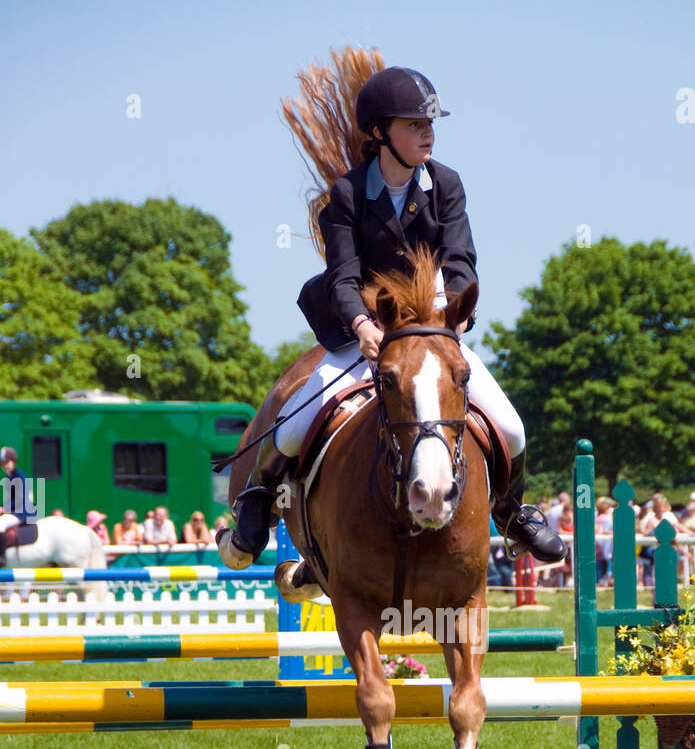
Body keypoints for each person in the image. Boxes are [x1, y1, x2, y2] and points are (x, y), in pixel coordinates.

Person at [227, 60, 566, 568]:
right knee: (293, 426)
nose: (428, 134)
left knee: (512, 428)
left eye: (430, 125)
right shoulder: (346, 195)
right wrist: (363, 326)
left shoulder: (446, 184)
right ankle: (258, 497)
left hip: (430, 330)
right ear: (382, 133)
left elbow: (459, 257)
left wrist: (455, 311)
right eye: (415, 125)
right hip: (364, 331)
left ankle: (512, 510)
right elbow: (341, 277)